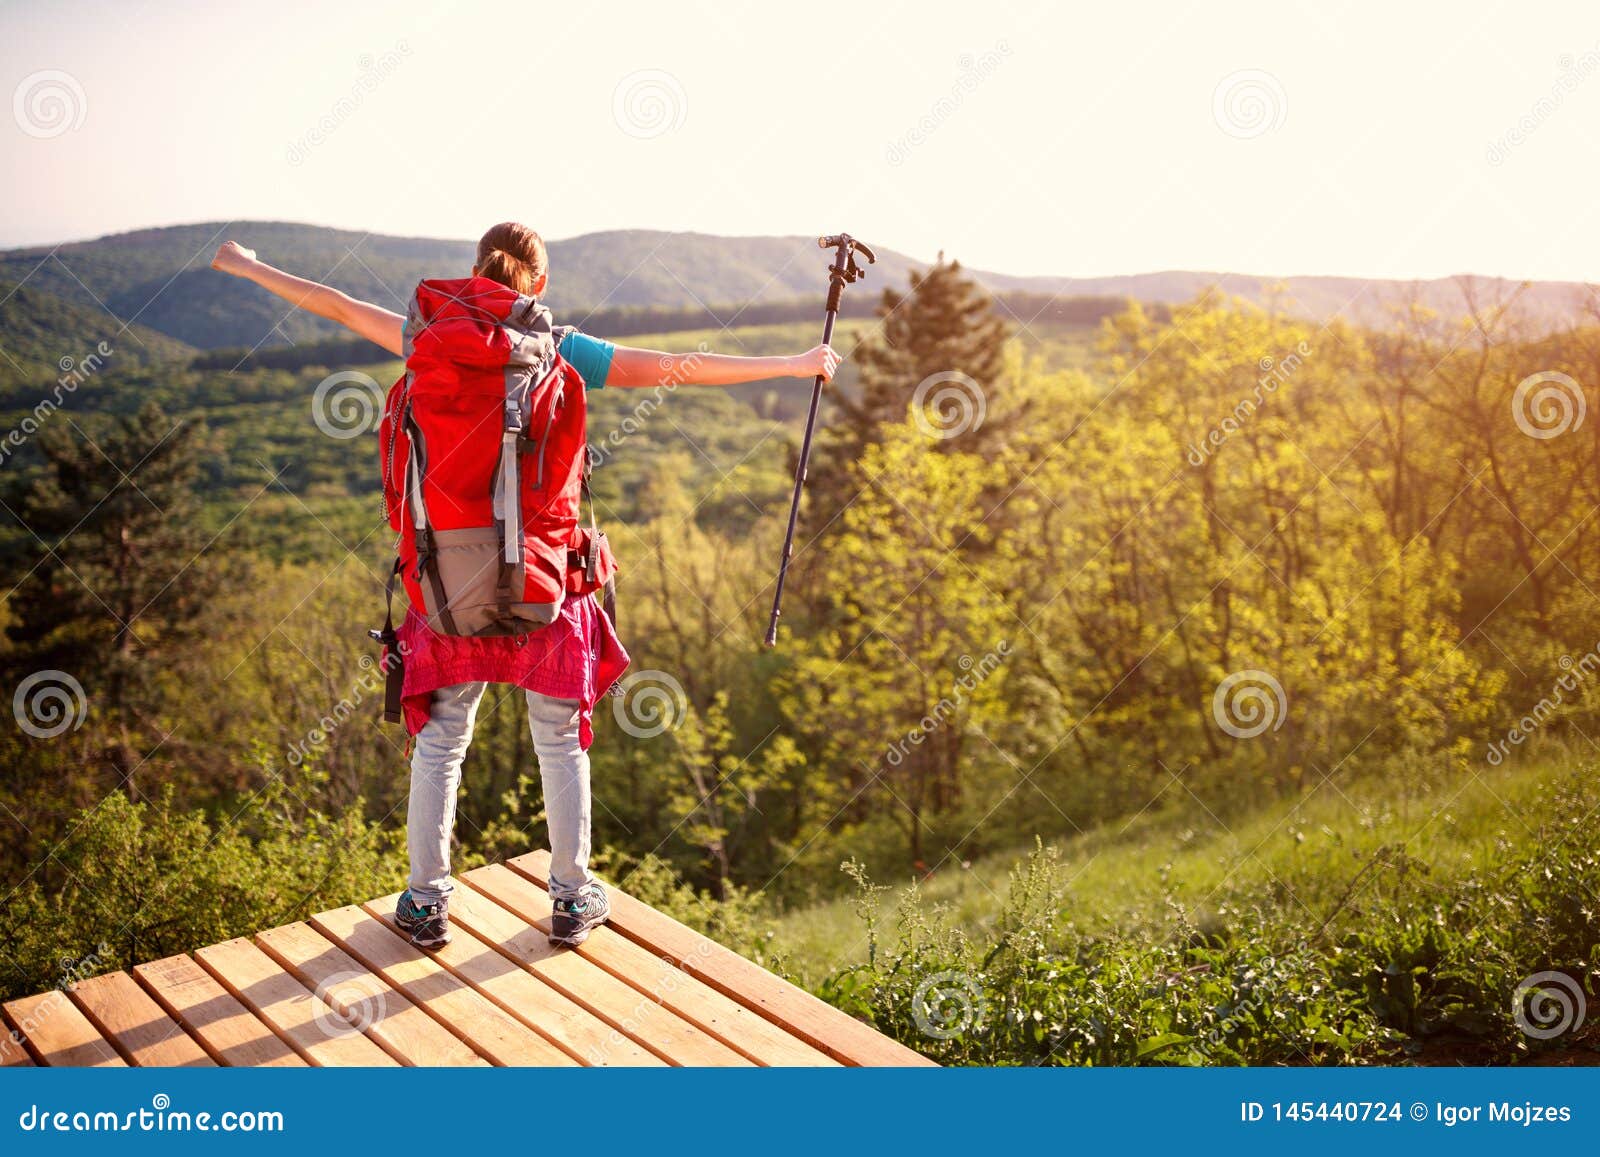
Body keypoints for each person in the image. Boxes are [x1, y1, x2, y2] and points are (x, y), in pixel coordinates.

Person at [211, 222, 839, 947]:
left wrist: (250, 267)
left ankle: (424, 903)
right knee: (559, 741)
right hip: (545, 581)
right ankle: (572, 898)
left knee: (441, 742)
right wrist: (795, 363)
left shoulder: (427, 338)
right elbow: (678, 365)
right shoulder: (557, 347)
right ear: (537, 284)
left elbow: (337, 305)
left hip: (445, 585)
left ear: (476, 271)